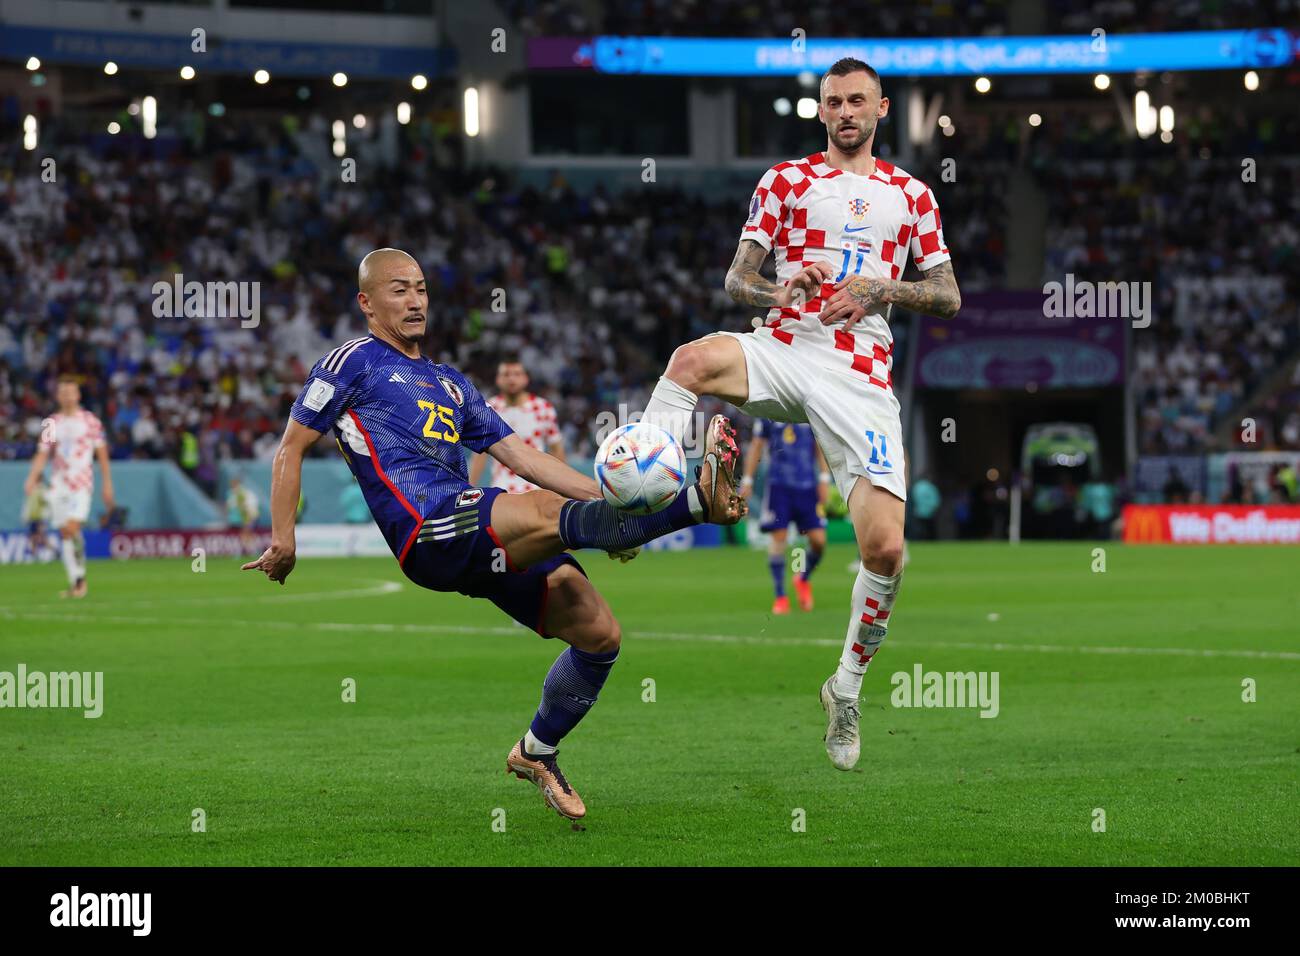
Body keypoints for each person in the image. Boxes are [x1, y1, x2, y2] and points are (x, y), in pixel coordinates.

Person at [242, 248, 744, 821]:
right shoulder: (350, 362)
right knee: (540, 513)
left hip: (479, 543)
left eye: (422, 288)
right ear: (367, 302)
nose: (415, 300)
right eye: (399, 289)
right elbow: (292, 445)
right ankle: (697, 501)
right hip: (428, 525)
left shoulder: (451, 383)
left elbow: (522, 455)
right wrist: (284, 537)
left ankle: (536, 752)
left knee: (598, 631)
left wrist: (606, 498)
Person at [641, 58, 961, 770]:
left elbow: (947, 296)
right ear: (821, 111)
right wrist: (779, 292)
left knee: (885, 551)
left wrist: (884, 289)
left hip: (858, 377)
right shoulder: (785, 181)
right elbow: (736, 279)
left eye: (857, 101)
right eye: (833, 101)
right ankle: (645, 501)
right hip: (786, 346)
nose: (845, 111)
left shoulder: (910, 195)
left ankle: (845, 688)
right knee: (688, 361)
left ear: (881, 109)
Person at [23, 375, 115, 598]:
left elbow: (101, 453)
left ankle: (80, 579)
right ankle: (77, 581)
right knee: (66, 533)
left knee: (72, 527)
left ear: (78, 395)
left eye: (71, 392)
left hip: (81, 483)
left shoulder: (91, 421)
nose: (67, 396)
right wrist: (32, 476)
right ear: (57, 395)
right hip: (58, 485)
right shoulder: (50, 423)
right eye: (63, 392)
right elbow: (42, 453)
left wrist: (107, 483)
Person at [740, 419, 829, 614]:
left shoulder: (808, 406)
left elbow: (820, 443)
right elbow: (757, 445)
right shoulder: (768, 411)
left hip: (807, 487)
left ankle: (802, 577)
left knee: (818, 541)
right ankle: (781, 596)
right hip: (779, 486)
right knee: (778, 539)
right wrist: (747, 479)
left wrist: (824, 478)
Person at [467, 357, 565, 493]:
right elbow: (479, 456)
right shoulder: (489, 409)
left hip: (536, 490)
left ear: (526, 379)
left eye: (517, 374)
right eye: (506, 374)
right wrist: (469, 488)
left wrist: (560, 490)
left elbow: (557, 450)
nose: (511, 379)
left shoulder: (543, 407)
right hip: (501, 491)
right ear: (498, 379)